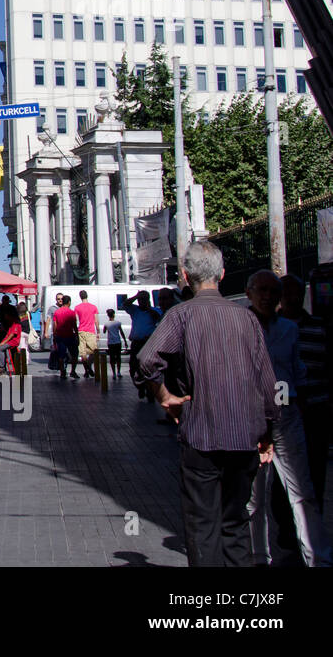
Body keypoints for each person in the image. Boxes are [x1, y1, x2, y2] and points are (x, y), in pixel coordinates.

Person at [137, 241, 280, 567]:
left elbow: (147, 360)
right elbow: (268, 383)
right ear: (223, 274)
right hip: (244, 438)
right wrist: (268, 431)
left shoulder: (181, 315)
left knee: (203, 526)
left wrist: (164, 397)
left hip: (202, 435)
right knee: (235, 523)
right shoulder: (247, 320)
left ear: (185, 276)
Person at [243, 270, 331, 568]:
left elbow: (297, 372)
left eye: (273, 291)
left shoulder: (289, 330)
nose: (268, 297)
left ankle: (317, 558)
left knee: (302, 491)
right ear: (249, 293)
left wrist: (301, 408)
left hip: (286, 414)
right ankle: (258, 557)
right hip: (251, 418)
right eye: (262, 291)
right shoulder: (240, 326)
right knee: (255, 496)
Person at [279, 274, 330, 509]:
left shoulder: (319, 328)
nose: (292, 298)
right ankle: (287, 529)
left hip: (315, 411)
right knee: (283, 474)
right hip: (281, 412)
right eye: (287, 293)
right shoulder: (268, 328)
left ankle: (312, 517)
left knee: (314, 469)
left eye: (296, 293)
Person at [125, 291, 161, 399]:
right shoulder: (135, 310)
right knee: (134, 367)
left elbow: (157, 317)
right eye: (140, 300)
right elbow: (125, 304)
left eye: (144, 299)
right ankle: (140, 387)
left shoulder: (154, 311)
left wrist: (148, 308)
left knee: (149, 368)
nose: (141, 302)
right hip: (136, 343)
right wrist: (136, 296)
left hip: (148, 343)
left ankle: (150, 391)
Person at [74, 290, 100, 380]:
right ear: (87, 296)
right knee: (94, 351)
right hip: (90, 331)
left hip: (81, 331)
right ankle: (89, 367)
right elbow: (96, 321)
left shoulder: (77, 307)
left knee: (83, 353)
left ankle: (86, 370)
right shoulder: (94, 307)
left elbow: (75, 320)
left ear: (80, 297)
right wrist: (98, 331)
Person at [51, 296, 78, 379]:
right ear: (69, 302)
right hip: (69, 336)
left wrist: (54, 334)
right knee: (74, 355)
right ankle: (73, 371)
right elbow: (74, 325)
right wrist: (77, 334)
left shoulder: (57, 312)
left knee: (61, 355)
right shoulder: (72, 312)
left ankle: (62, 372)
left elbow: (55, 325)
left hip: (60, 336)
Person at [104, 309, 126, 378]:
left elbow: (104, 331)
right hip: (117, 342)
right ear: (114, 314)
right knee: (118, 357)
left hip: (110, 342)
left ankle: (113, 373)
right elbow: (121, 332)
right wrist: (125, 341)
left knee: (112, 358)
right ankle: (118, 372)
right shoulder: (118, 323)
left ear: (108, 315)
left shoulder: (106, 324)